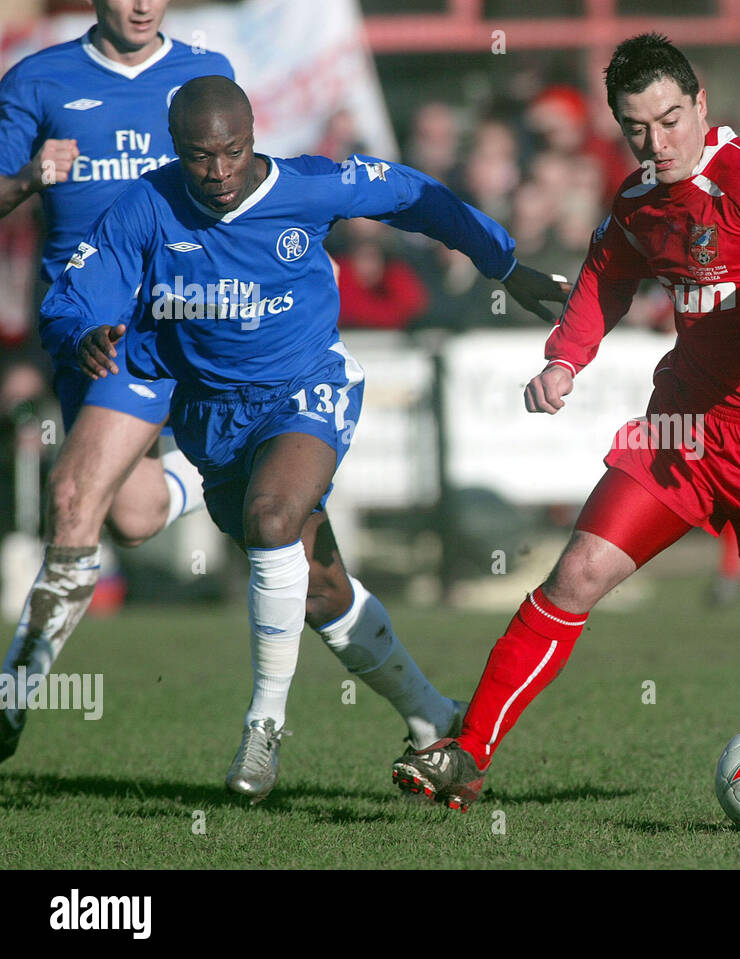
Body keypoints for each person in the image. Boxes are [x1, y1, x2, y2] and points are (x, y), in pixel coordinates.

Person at [392, 33, 740, 811]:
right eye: (637, 128)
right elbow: (606, 275)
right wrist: (565, 360)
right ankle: (466, 756)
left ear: (701, 103)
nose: (658, 142)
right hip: (682, 435)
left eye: (671, 119)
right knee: (576, 574)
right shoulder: (639, 201)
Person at [40, 75, 569, 800]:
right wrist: (83, 336)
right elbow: (75, 294)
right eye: (200, 156)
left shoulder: (311, 187)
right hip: (210, 420)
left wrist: (503, 262)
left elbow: (420, 198)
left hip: (307, 388)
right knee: (319, 588)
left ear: (254, 139)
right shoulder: (144, 208)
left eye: (233, 151)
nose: (219, 171)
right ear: (176, 150)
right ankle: (431, 712)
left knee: (273, 519)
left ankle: (264, 726)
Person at [0, 0, 232, 764]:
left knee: (71, 499)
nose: (141, 4)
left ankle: (13, 694)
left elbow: (238, 199)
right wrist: (32, 176)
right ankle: (212, 474)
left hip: (164, 328)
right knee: (131, 514)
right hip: (80, 332)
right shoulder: (39, 80)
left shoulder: (205, 76)